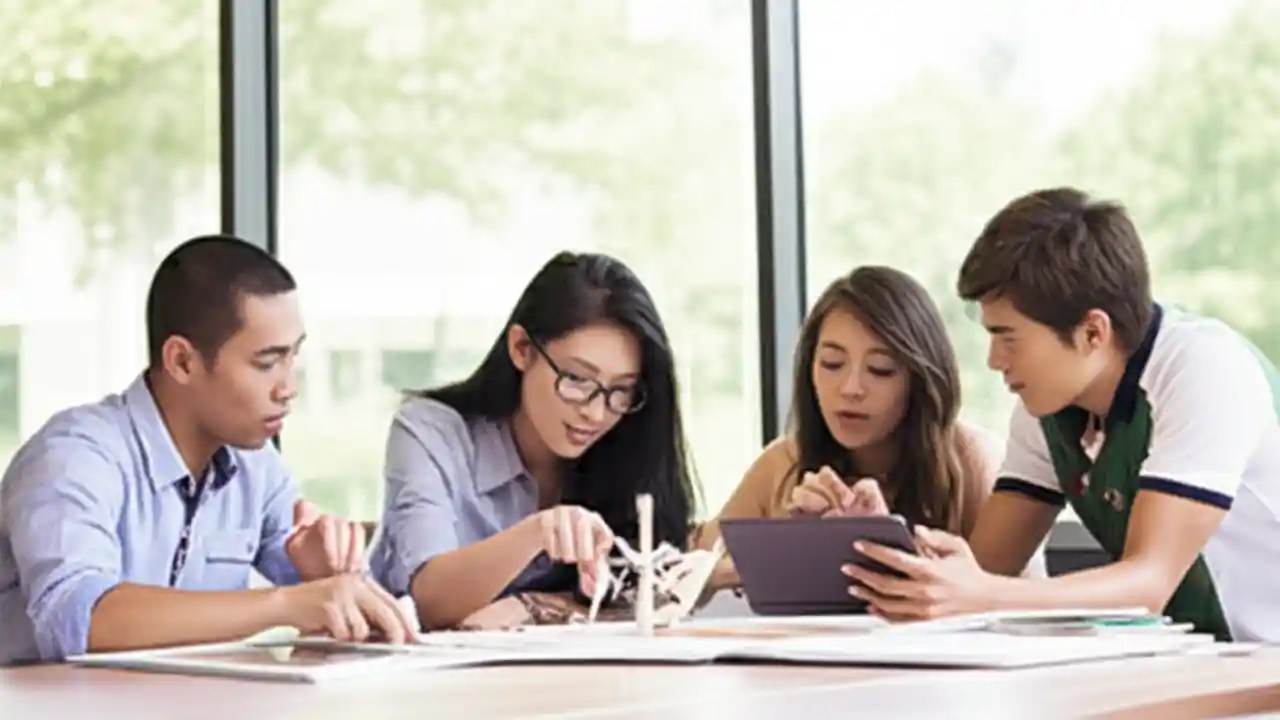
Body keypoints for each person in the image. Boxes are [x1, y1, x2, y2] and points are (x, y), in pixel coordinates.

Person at [847, 188, 1280, 642]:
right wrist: (880, 540)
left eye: (1008, 337)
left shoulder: (1204, 369)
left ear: (1093, 331)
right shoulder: (1048, 407)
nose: (994, 360)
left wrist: (983, 594)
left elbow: (1148, 584)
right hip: (1214, 665)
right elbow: (985, 568)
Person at [0, 235, 414, 665]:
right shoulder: (74, 456)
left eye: (293, 357)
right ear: (182, 361)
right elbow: (76, 619)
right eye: (266, 363)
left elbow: (324, 600)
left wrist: (326, 573)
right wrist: (284, 603)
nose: (289, 388)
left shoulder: (256, 464)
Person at [370, 251, 699, 629]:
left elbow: (652, 601)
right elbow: (428, 601)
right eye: (576, 379)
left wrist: (533, 605)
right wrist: (538, 533)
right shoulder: (430, 432)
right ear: (521, 349)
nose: (595, 413)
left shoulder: (626, 444)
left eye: (620, 390)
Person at [694, 266, 1034, 586]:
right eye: (832, 363)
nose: (850, 388)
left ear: (919, 380)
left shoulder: (976, 462)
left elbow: (1022, 606)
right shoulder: (784, 462)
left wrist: (887, 544)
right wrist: (783, 548)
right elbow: (688, 573)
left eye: (880, 369)